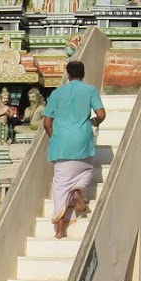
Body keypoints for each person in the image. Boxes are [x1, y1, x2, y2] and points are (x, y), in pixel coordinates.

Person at [42, 59, 105, 238]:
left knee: (60, 187)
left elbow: (47, 123)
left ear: (68, 74)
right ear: (83, 74)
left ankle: (60, 230)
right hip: (82, 140)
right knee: (86, 171)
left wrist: (55, 138)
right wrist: (94, 121)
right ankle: (78, 190)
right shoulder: (90, 90)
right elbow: (101, 114)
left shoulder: (56, 93)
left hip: (61, 143)